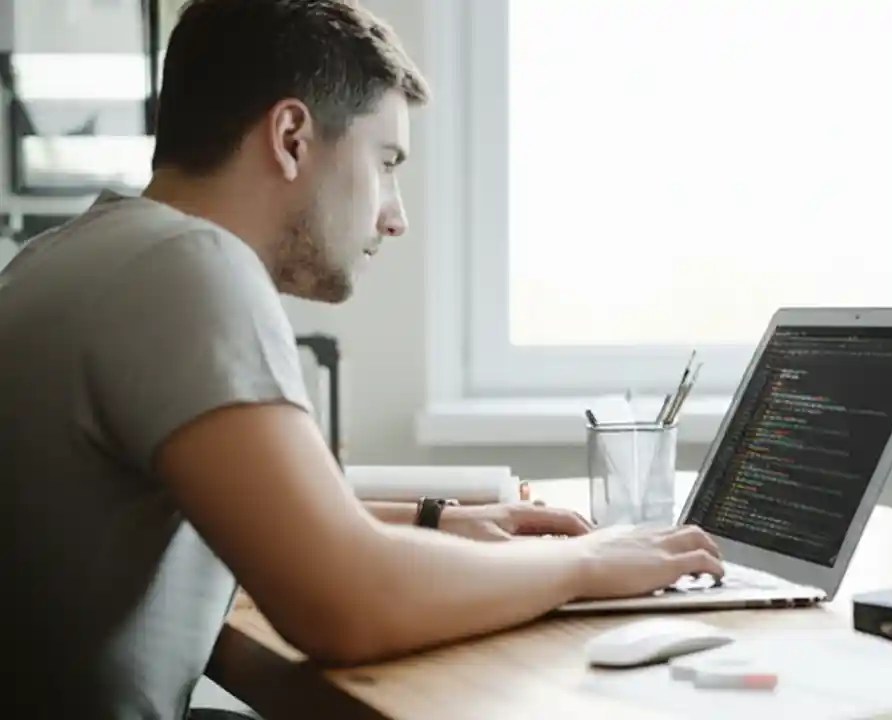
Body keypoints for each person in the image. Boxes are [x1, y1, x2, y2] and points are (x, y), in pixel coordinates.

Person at [0, 1, 723, 717]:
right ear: (290, 137)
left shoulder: (74, 257)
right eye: (386, 163)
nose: (395, 215)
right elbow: (345, 604)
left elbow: (227, 514)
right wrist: (585, 567)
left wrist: (432, 521)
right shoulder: (188, 267)